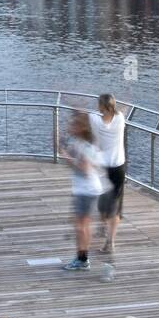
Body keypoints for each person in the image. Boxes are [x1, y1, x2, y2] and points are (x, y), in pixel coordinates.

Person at [59, 110, 105, 272]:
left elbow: (83, 168)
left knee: (80, 226)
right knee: (84, 224)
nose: (71, 126)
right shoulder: (83, 143)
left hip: (86, 190)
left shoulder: (85, 146)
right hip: (88, 189)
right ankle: (82, 258)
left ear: (82, 127)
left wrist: (64, 154)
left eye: (74, 124)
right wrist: (63, 146)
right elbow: (74, 155)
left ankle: (82, 259)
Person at [91, 93, 126, 254]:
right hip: (118, 168)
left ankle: (104, 228)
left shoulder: (95, 120)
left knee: (102, 202)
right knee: (115, 207)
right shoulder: (120, 119)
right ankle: (109, 241)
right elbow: (121, 110)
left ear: (101, 107)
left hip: (103, 169)